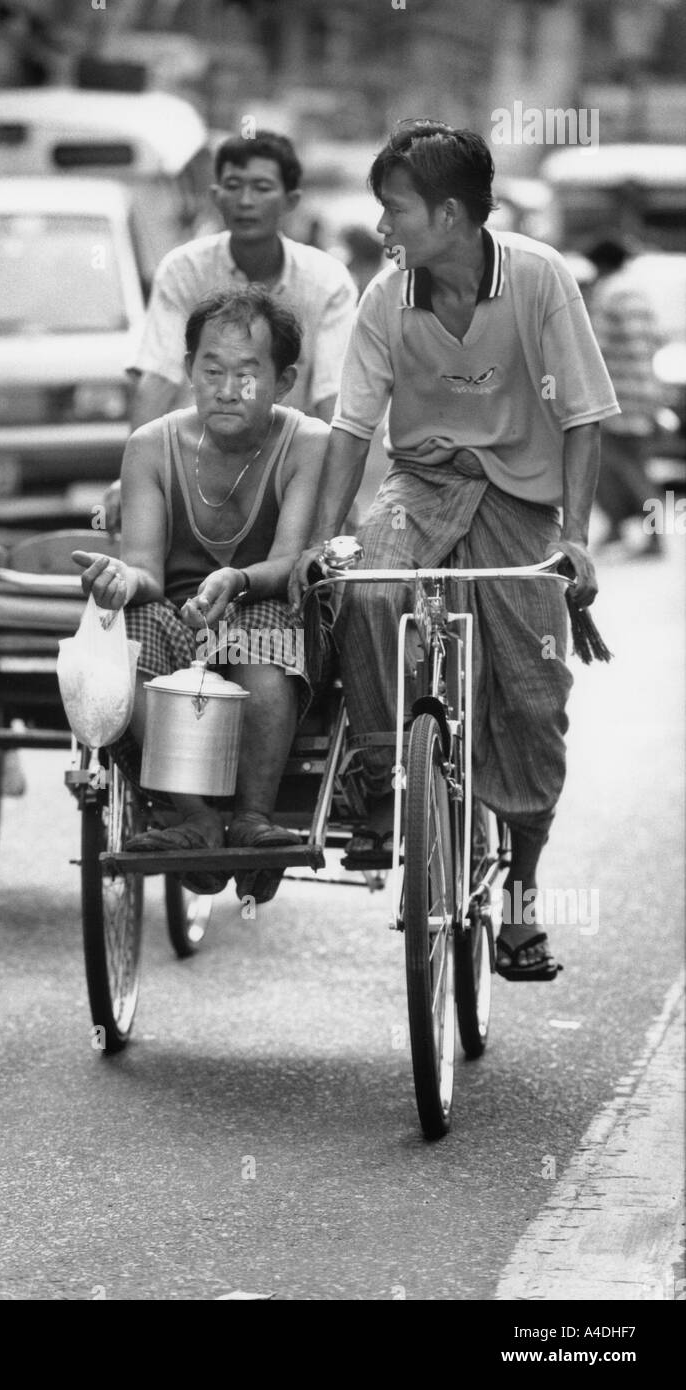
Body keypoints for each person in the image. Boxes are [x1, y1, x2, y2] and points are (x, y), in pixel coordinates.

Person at [289, 120, 619, 981]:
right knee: (365, 596)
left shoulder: (540, 280)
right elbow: (351, 427)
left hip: (519, 502)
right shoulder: (383, 298)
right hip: (419, 487)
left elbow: (583, 417)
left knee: (534, 701)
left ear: (448, 212)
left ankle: (519, 901)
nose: (382, 226)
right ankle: (384, 786)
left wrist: (575, 541)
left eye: (392, 209)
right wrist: (328, 538)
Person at [74, 287, 332, 905]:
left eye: (248, 375)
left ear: (285, 380)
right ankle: (192, 814)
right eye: (211, 370)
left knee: (265, 630)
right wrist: (117, 581)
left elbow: (291, 560)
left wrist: (235, 581)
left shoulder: (308, 442)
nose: (226, 389)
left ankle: (252, 816)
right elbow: (145, 569)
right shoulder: (150, 446)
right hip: (175, 614)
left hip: (263, 602)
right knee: (121, 643)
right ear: (189, 370)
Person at [128, 129, 357, 429]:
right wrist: (136, 465)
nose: (246, 200)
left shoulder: (328, 281)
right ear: (215, 197)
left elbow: (332, 393)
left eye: (262, 187)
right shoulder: (183, 270)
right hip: (195, 449)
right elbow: (158, 377)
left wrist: (333, 472)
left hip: (288, 455)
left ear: (291, 200)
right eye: (233, 186)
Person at [585, 237, 662, 556]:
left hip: (619, 395)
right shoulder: (639, 293)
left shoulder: (609, 293)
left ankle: (653, 535)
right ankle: (619, 527)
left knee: (625, 467)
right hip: (644, 391)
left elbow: (595, 346)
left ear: (600, 264)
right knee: (624, 466)